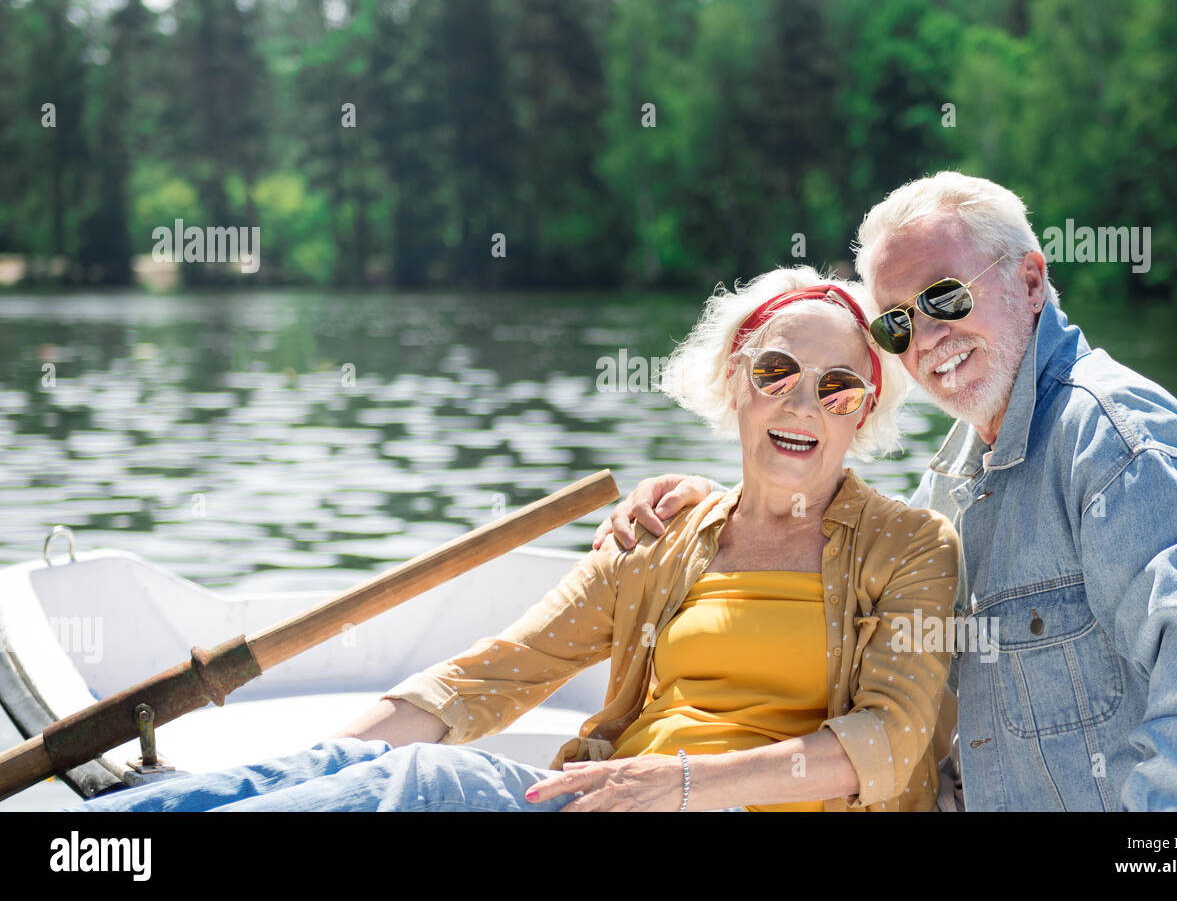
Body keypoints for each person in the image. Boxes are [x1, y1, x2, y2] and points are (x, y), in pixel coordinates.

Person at [76, 265, 960, 812]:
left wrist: (679, 786)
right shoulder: (665, 534)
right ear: (735, 382)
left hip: (717, 809)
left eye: (839, 386)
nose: (804, 404)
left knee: (429, 788)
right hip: (606, 803)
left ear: (868, 411)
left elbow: (888, 745)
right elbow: (498, 671)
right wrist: (325, 770)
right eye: (777, 372)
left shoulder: (909, 548)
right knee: (348, 772)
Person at [594, 172, 1177, 812]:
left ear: (1029, 281)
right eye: (896, 322)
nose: (926, 336)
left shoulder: (1113, 439)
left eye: (944, 297)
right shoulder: (957, 470)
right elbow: (864, 556)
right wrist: (713, 506)